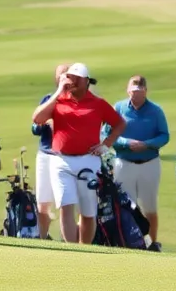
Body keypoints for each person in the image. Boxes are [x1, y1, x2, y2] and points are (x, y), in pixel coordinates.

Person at [31, 63, 126, 244]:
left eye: (76, 79)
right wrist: (59, 91)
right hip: (61, 162)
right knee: (66, 207)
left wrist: (107, 144)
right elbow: (37, 118)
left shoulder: (98, 103)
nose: (71, 82)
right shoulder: (58, 100)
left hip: (88, 161)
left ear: (86, 82)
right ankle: (72, 250)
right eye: (70, 78)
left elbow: (119, 123)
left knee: (88, 211)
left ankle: (85, 249)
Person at [107, 75, 169, 251]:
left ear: (146, 92)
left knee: (150, 206)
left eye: (140, 92)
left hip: (150, 163)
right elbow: (106, 135)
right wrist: (127, 143)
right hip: (124, 163)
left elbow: (164, 135)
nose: (136, 95)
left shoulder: (156, 111)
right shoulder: (118, 108)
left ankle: (153, 242)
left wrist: (147, 144)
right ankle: (131, 242)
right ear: (128, 91)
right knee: (127, 205)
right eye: (134, 92)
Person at [30, 64, 67, 239]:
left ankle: (65, 240)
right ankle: (42, 238)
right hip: (46, 154)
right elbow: (34, 128)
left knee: (65, 203)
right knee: (42, 203)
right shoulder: (47, 99)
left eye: (66, 75)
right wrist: (45, 123)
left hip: (65, 157)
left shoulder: (74, 101)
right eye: (60, 76)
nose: (63, 79)